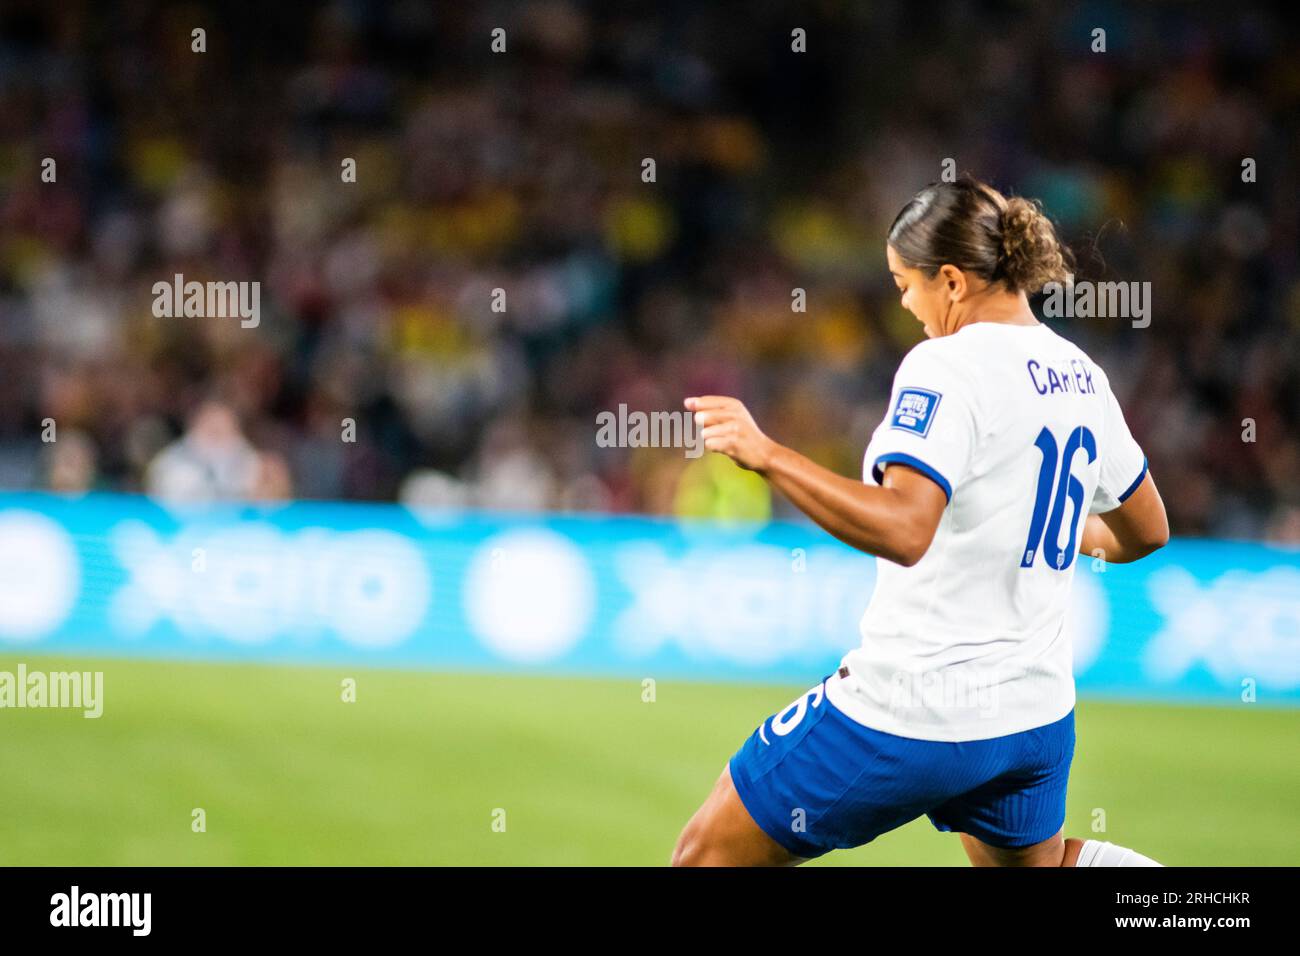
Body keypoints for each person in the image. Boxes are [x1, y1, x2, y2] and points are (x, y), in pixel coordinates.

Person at [672, 178, 1170, 867]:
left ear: (952, 281)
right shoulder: (1080, 373)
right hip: (1036, 718)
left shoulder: (948, 365)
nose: (905, 304)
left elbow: (905, 530)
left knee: (706, 857)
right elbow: (1148, 531)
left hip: (917, 709)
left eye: (904, 284)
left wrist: (769, 456)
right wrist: (1044, 528)